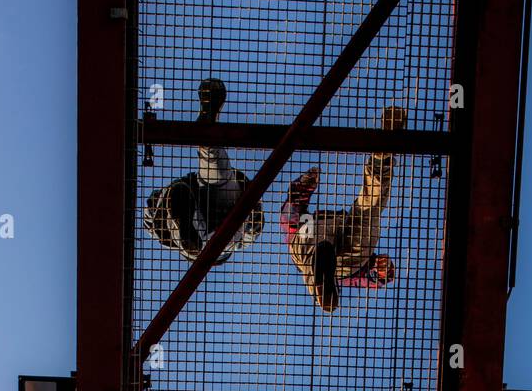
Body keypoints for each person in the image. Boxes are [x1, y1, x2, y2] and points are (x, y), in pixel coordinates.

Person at [280, 105, 407, 312]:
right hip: (340, 262)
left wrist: (304, 185)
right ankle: (321, 279)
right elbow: (373, 280)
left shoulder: (306, 225)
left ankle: (381, 156)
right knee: (367, 216)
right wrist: (382, 271)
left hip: (318, 239)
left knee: (366, 210)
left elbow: (291, 212)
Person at [144, 78, 264, 264]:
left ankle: (207, 139)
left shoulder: (188, 190)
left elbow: (254, 227)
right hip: (225, 212)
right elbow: (253, 227)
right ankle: (207, 139)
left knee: (215, 174)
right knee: (214, 169)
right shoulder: (240, 242)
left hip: (225, 215)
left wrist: (252, 211)